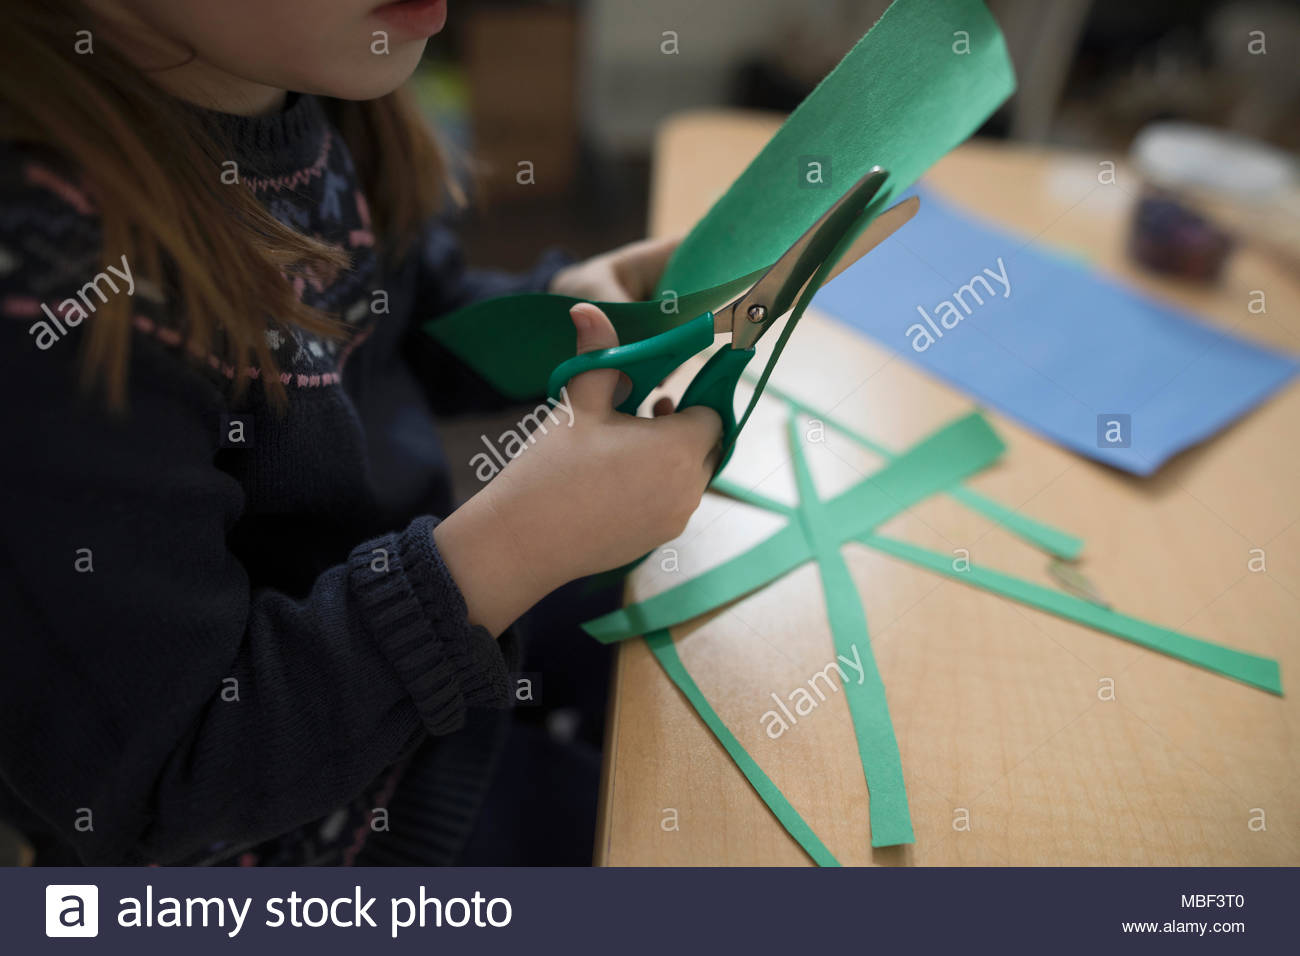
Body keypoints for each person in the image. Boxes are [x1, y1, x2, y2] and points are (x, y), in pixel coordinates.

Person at [0, 0, 721, 865]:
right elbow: (171, 778)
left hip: (416, 658)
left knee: (719, 639)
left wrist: (555, 311)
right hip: (299, 845)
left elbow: (387, 324)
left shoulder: (301, 72)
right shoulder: (49, 286)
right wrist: (517, 549)